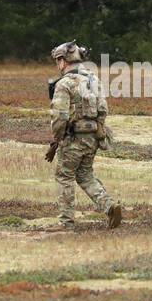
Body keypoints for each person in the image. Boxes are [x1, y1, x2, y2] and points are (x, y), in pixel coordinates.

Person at [47, 41, 122, 230]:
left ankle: (66, 222)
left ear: (63, 61)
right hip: (92, 137)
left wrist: (57, 138)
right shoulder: (93, 80)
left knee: (64, 176)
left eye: (58, 61)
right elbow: (103, 109)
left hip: (73, 139)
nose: (58, 65)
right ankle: (109, 206)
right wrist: (99, 129)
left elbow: (60, 117)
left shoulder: (64, 84)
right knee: (85, 175)